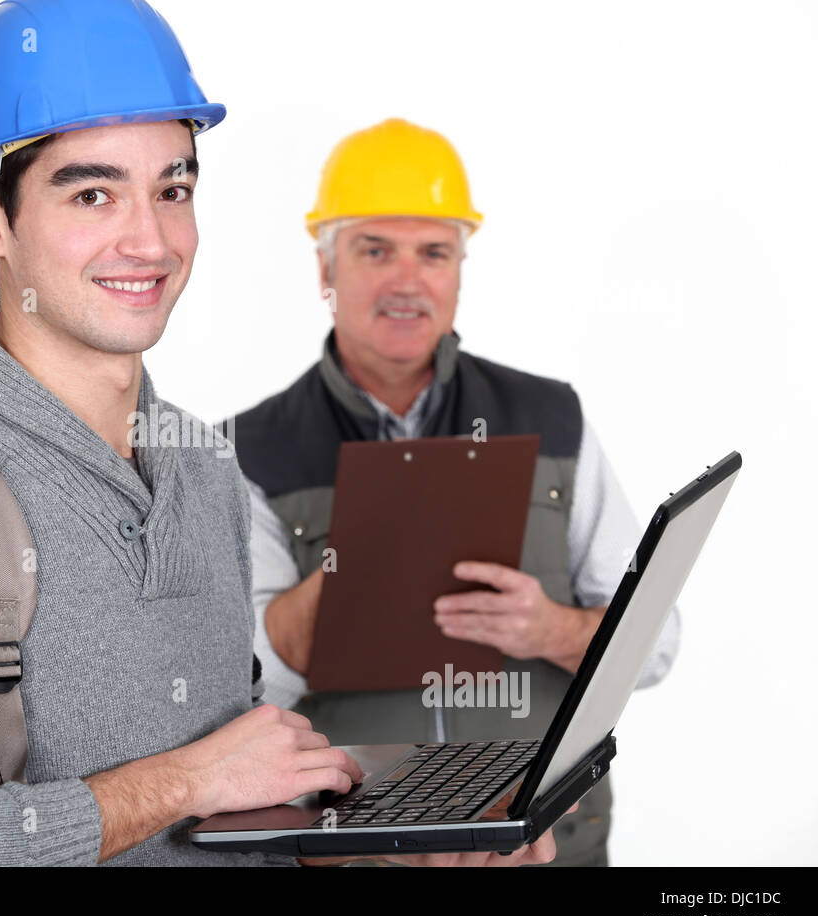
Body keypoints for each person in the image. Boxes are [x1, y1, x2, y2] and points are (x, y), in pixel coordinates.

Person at [0, 3, 565, 866]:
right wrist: (184, 782)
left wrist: (405, 845)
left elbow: (245, 805)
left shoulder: (204, 467)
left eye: (173, 189)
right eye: (93, 193)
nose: (151, 239)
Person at [233, 118, 680, 867]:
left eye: (433, 253)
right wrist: (334, 598)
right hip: (364, 855)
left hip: (545, 848)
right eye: (375, 250)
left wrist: (551, 631)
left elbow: (657, 647)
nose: (407, 280)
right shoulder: (251, 453)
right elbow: (241, 691)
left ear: (460, 271)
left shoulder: (553, 420)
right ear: (326, 270)